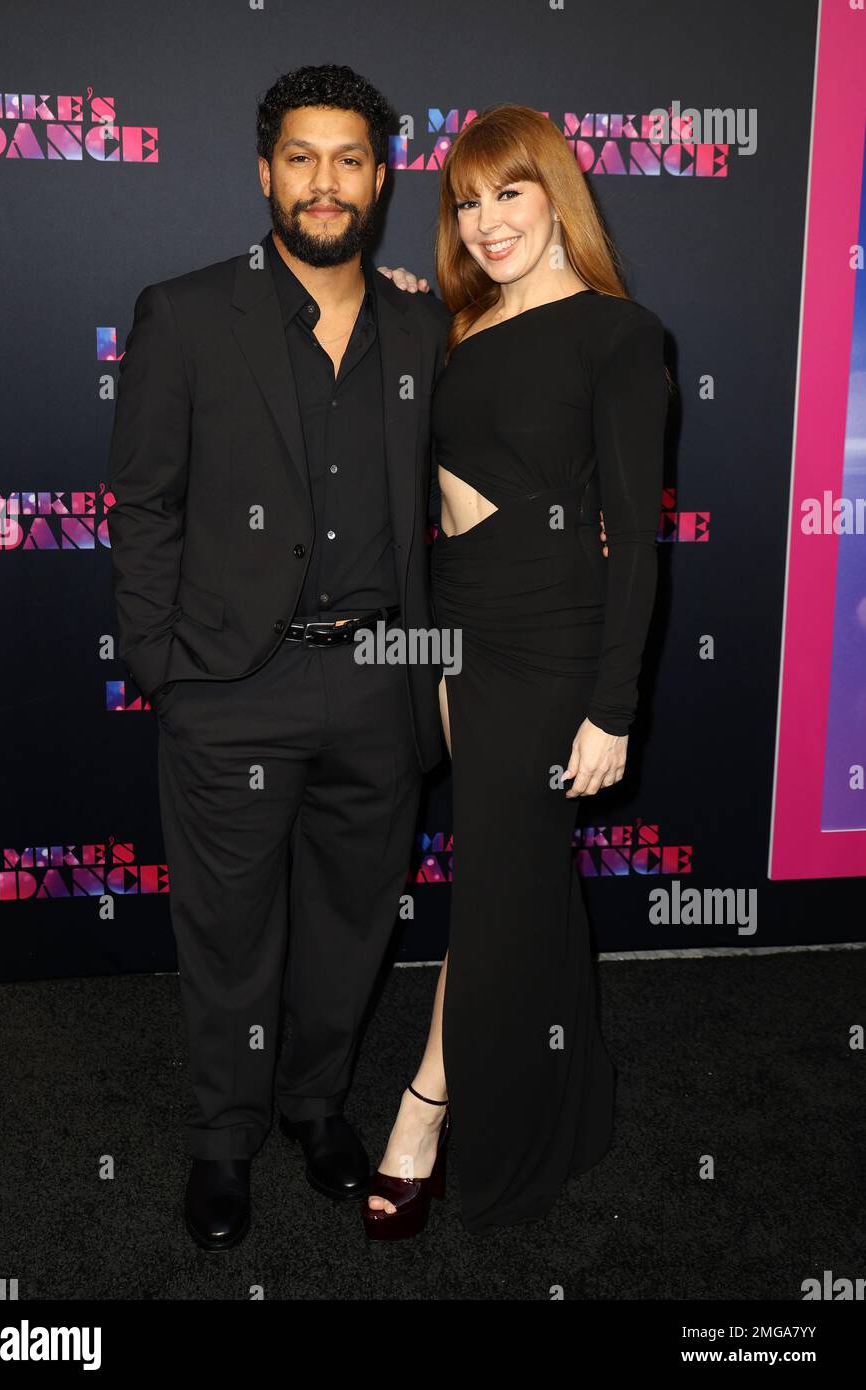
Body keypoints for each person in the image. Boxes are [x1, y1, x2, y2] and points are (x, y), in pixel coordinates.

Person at [106, 64, 453, 1252]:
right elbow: (144, 503)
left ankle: (314, 1105)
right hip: (229, 687)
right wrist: (164, 669)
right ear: (264, 173)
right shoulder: (186, 312)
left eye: (348, 158)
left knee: (353, 922)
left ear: (381, 176)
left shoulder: (423, 322)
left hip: (379, 681)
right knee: (228, 930)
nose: (324, 182)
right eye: (300, 157)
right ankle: (222, 1136)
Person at [361, 103, 670, 1238]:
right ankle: (572, 1096)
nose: (486, 222)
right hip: (456, 622)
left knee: (494, 880)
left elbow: (633, 536)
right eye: (466, 201)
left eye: (509, 194)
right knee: (519, 877)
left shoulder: (619, 334)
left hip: (550, 638)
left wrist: (611, 707)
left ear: (556, 196)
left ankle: (425, 1110)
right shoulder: (454, 326)